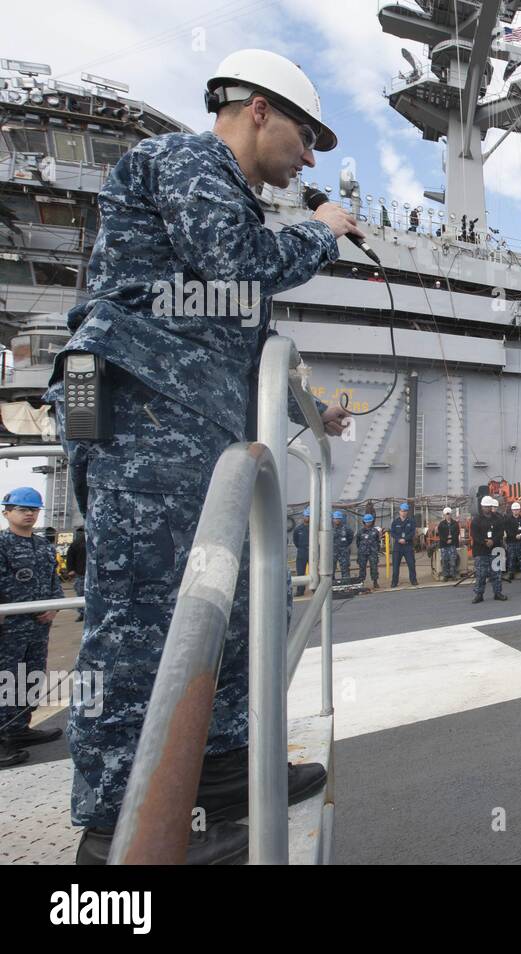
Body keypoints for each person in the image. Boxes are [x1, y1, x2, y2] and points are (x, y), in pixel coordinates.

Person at [43, 47, 357, 863]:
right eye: (307, 133)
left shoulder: (224, 191)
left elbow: (230, 321)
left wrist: (311, 408)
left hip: (187, 415)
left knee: (236, 600)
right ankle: (116, 822)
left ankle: (220, 768)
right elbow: (238, 267)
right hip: (145, 407)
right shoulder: (185, 158)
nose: (312, 156)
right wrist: (321, 234)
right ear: (259, 109)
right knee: (145, 610)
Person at [0, 488, 64, 769]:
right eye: (21, 509)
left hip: (38, 628)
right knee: (5, 681)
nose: (29, 513)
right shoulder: (2, 544)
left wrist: (54, 607)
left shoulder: (44, 547)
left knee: (31, 677)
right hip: (8, 628)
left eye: (33, 509)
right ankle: (3, 739)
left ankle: (19, 729)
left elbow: (55, 583)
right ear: (6, 512)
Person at [469, 497, 507, 604]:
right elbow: (474, 534)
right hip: (481, 550)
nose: (487, 508)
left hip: (495, 549)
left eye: (489, 506)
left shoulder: (498, 519)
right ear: (482, 507)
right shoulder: (476, 520)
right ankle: (479, 594)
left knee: (497, 572)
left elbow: (501, 531)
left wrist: (493, 541)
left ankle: (497, 593)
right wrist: (485, 542)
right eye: (485, 507)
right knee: (481, 574)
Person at [389, 502, 418, 587]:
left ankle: (413, 580)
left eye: (405, 511)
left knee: (411, 564)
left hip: (408, 546)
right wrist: (399, 539)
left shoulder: (411, 521)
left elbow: (412, 532)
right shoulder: (395, 522)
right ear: (399, 511)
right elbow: (392, 533)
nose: (404, 512)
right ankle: (394, 582)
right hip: (398, 547)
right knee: (395, 565)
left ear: (407, 512)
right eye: (402, 511)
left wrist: (405, 539)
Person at [66, 525, 87, 621]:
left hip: (85, 572)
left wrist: (71, 570)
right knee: (81, 594)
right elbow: (70, 556)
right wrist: (70, 569)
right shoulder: (77, 542)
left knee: (81, 594)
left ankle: (84, 613)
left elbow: (70, 555)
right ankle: (83, 613)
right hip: (81, 573)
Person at [356, 513, 381, 588]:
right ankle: (361, 582)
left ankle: (375, 582)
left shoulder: (375, 531)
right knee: (362, 567)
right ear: (364, 522)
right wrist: (361, 549)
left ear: (372, 522)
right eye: (367, 522)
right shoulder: (360, 531)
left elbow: (378, 541)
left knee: (374, 567)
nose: (368, 523)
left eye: (369, 522)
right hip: (362, 553)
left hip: (373, 552)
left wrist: (376, 550)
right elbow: (358, 542)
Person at [504, 501, 521, 581]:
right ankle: (511, 573)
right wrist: (514, 536)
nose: (516, 511)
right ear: (512, 510)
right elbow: (507, 530)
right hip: (511, 542)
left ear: (519, 510)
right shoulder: (508, 520)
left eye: (517, 509)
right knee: (511, 558)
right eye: (514, 510)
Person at [292, 508, 311, 596]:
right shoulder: (298, 529)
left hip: (312, 552)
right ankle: (300, 591)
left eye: (309, 516)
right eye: (306, 516)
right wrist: (301, 548)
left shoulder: (314, 528)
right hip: (302, 552)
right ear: (303, 517)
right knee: (300, 572)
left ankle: (316, 589)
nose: (307, 518)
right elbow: (295, 541)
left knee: (315, 571)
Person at [332, 510, 353, 581]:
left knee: (345, 568)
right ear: (333, 519)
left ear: (341, 519)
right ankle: (330, 586)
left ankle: (346, 585)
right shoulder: (330, 529)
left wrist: (344, 546)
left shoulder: (347, 529)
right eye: (335, 518)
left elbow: (350, 538)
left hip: (343, 552)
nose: (336, 520)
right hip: (332, 552)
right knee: (331, 569)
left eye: (338, 518)